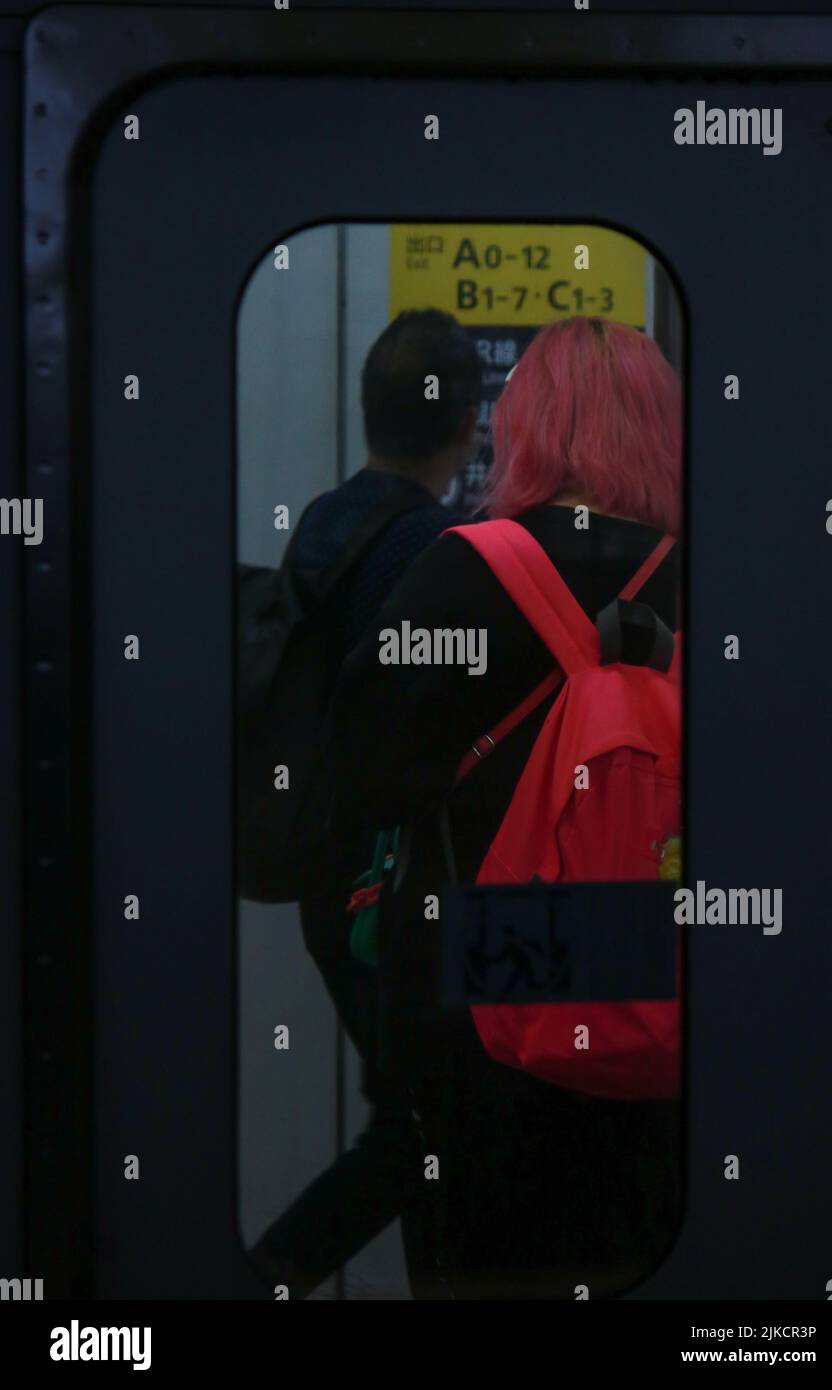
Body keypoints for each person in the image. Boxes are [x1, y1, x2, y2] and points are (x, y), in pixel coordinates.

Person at [327, 315, 684, 1299]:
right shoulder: (710, 574)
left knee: (484, 1254)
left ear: (524, 423)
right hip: (666, 967)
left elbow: (356, 772)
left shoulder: (467, 570)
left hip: (474, 975)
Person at [250, 308, 481, 1297]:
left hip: (323, 876)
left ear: (365, 416)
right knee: (427, 1121)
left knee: (414, 1110)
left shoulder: (321, 524)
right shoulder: (443, 550)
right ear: (467, 426)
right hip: (393, 895)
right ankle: (269, 1269)